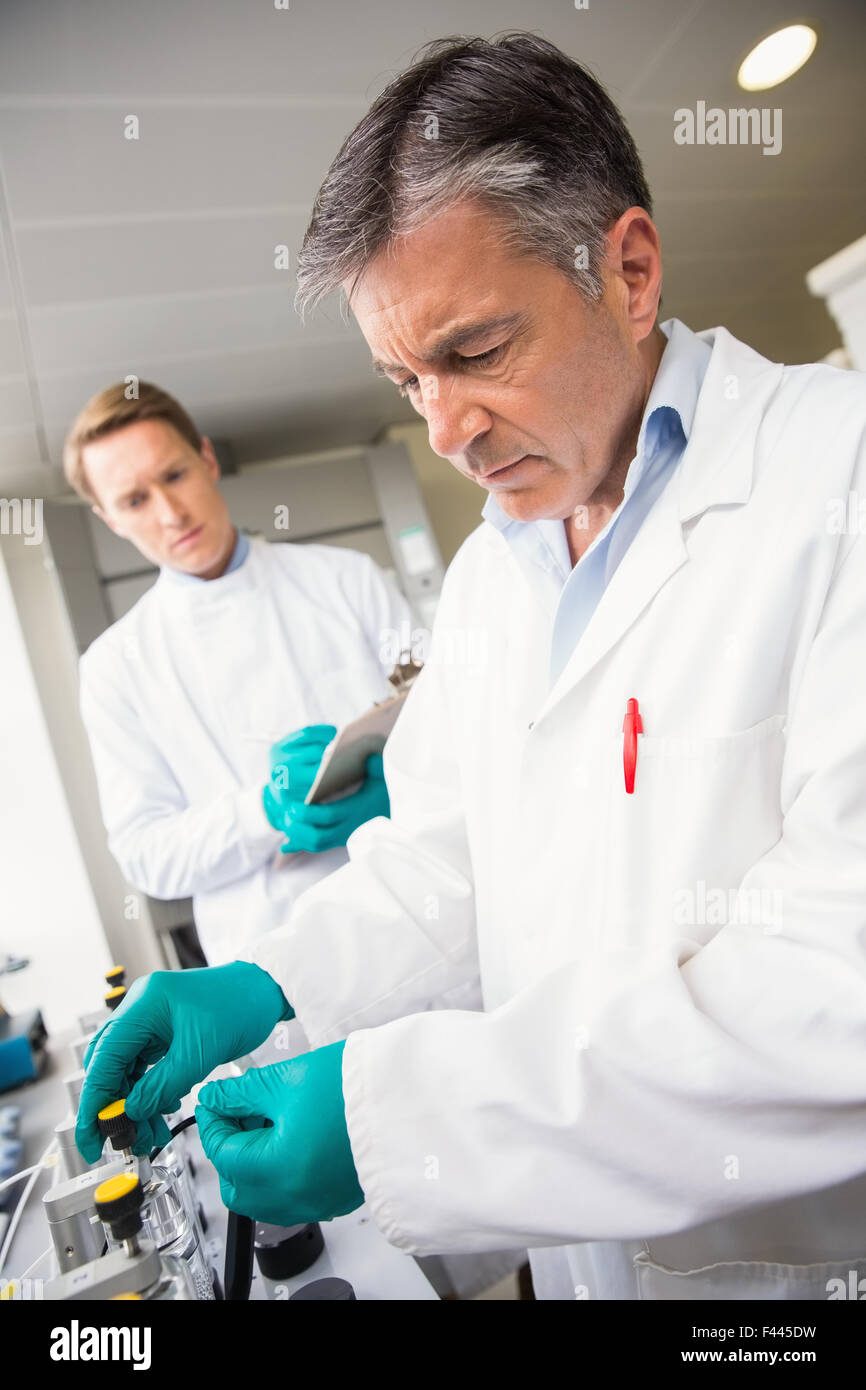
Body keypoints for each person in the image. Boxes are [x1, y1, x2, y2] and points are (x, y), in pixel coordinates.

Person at [77, 34, 866, 1301]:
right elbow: (447, 854)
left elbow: (839, 988)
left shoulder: (837, 480)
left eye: (475, 352)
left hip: (787, 1279)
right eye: (402, 378)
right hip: (581, 1254)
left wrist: (409, 1119)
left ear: (628, 268)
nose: (441, 430)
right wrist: (272, 980)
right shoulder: (500, 573)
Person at [65, 383, 411, 972]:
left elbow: (451, 726)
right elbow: (146, 854)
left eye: (174, 475)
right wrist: (263, 812)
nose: (170, 514)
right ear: (108, 519)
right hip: (274, 968)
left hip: (410, 914)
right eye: (134, 500)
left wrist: (396, 790)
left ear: (207, 459)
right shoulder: (114, 667)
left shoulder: (346, 580)